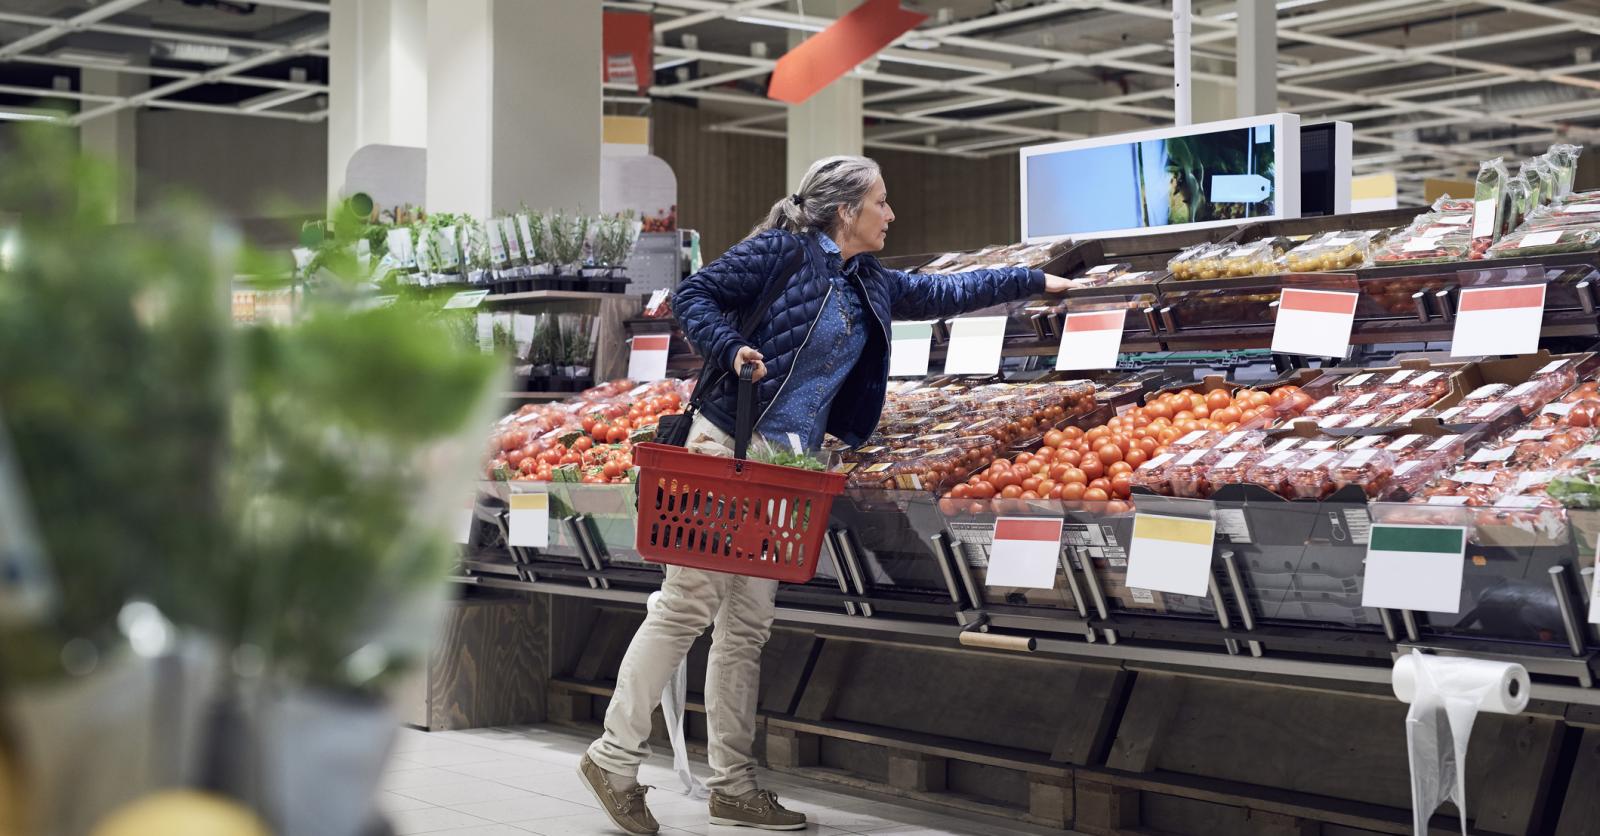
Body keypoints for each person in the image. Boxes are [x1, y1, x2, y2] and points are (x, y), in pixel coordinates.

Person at [579, 155, 1077, 834]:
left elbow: (939, 292)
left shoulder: (866, 279)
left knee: (746, 625)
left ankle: (733, 785)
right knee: (687, 604)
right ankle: (613, 758)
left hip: (787, 466)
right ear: (846, 210)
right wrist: (730, 348)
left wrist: (1033, 279)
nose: (890, 214)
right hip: (727, 446)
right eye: (881, 202)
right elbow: (696, 294)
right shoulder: (780, 252)